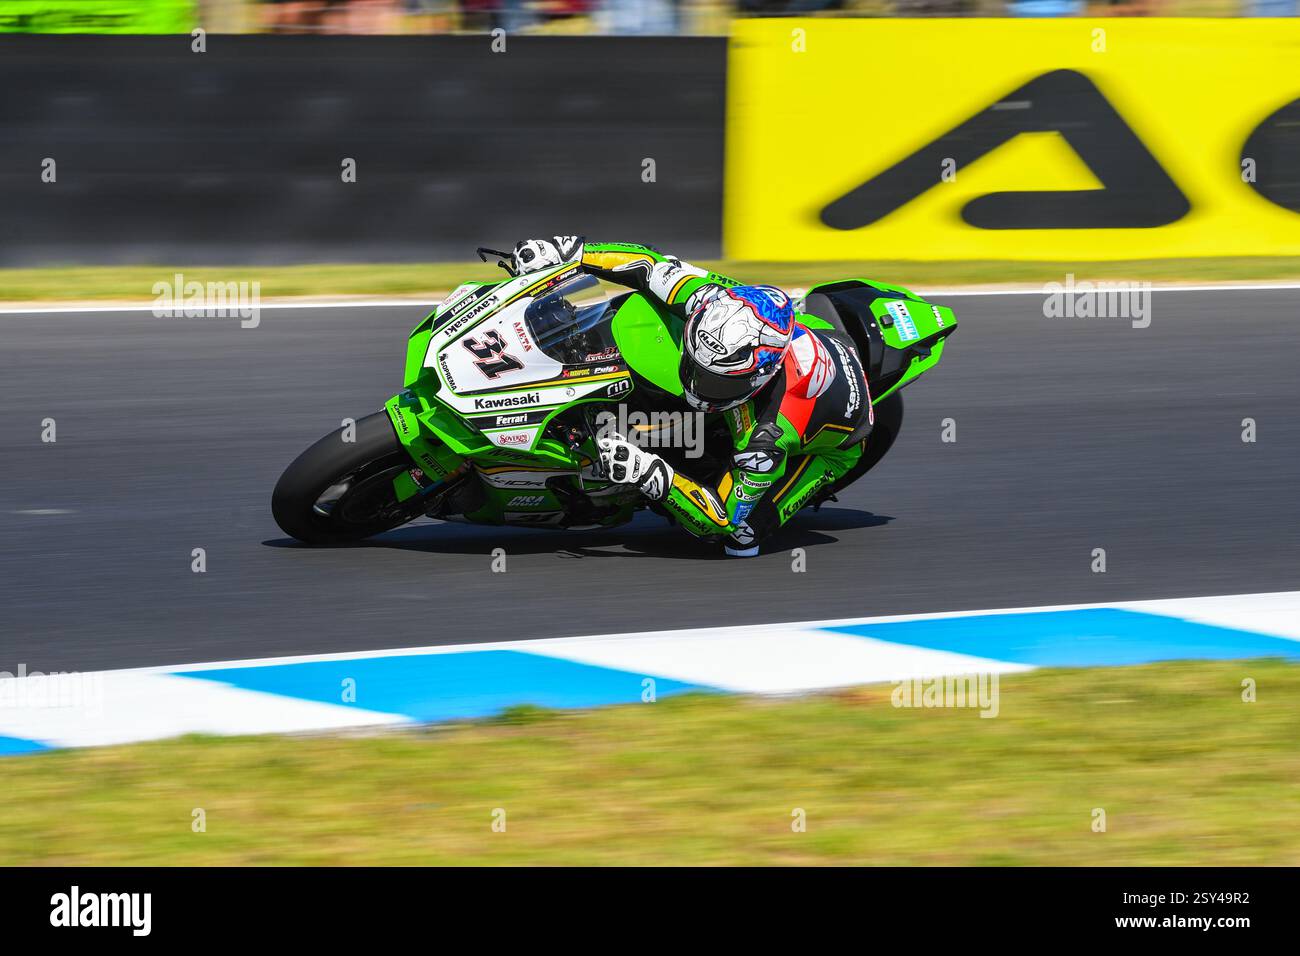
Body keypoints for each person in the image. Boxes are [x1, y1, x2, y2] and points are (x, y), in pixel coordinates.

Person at [510, 236, 874, 557]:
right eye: (696, 367)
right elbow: (646, 263)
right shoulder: (711, 299)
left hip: (835, 444)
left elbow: (722, 519)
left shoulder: (767, 438)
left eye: (716, 383)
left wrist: (648, 471)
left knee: (739, 540)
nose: (697, 385)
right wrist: (567, 252)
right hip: (809, 338)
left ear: (758, 378)